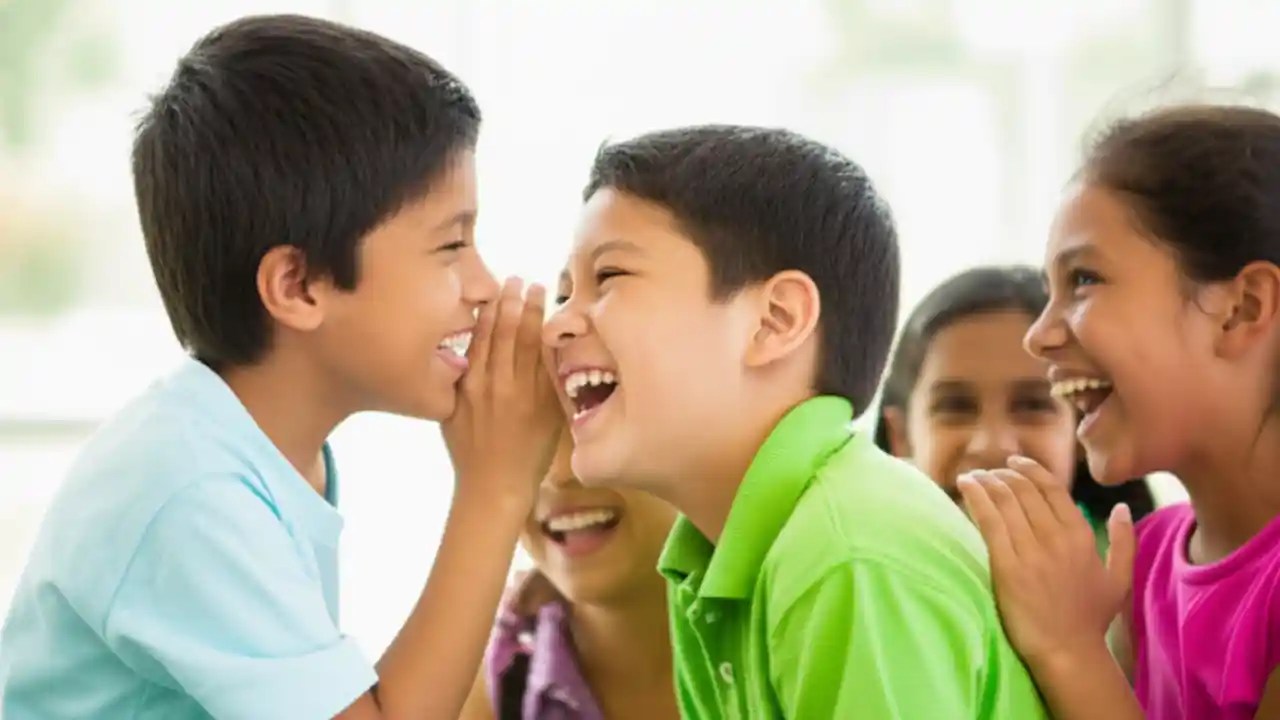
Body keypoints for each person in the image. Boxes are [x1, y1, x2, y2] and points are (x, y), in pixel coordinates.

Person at [0, 14, 561, 720]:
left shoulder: (263, 454)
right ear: (298, 288)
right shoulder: (190, 488)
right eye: (451, 246)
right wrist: (494, 488)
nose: (482, 285)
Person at [544, 125, 1048, 718]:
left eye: (609, 278)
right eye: (563, 294)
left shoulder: (850, 553)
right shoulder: (706, 559)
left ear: (775, 320)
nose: (557, 326)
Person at [958, 105, 1280, 720]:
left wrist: (1070, 648)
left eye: (1083, 279)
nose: (1040, 336)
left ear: (1242, 308)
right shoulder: (1148, 560)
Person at [876, 265, 1155, 547]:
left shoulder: (1139, 577)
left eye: (1033, 405)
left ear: (1084, 429)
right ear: (901, 435)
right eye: (955, 407)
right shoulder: (859, 570)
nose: (992, 446)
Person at [460, 431, 679, 720]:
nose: (559, 472)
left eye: (596, 417)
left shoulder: (758, 632)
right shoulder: (500, 686)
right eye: (529, 435)